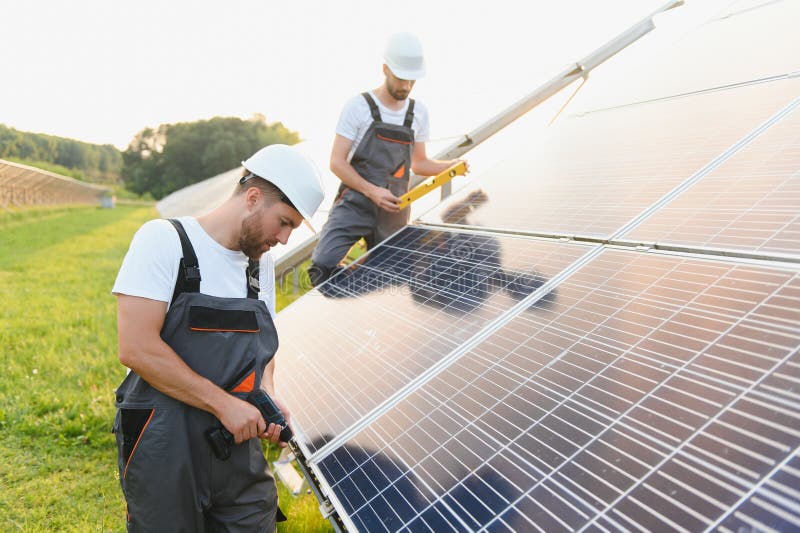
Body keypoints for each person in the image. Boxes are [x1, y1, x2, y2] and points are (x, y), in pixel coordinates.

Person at [111, 144, 324, 531]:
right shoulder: (164, 241)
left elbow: (263, 347)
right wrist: (222, 404)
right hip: (164, 441)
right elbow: (136, 347)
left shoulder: (260, 266)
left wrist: (268, 392)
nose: (286, 238)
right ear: (253, 198)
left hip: (235, 443)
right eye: (284, 222)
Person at [308, 31, 467, 285]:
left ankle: (372, 312)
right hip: (354, 204)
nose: (406, 86)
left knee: (394, 277)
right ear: (385, 69)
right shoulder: (357, 107)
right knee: (322, 267)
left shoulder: (419, 113)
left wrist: (450, 167)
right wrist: (372, 192)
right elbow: (336, 162)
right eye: (401, 79)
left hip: (394, 209)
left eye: (412, 81)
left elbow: (419, 163)